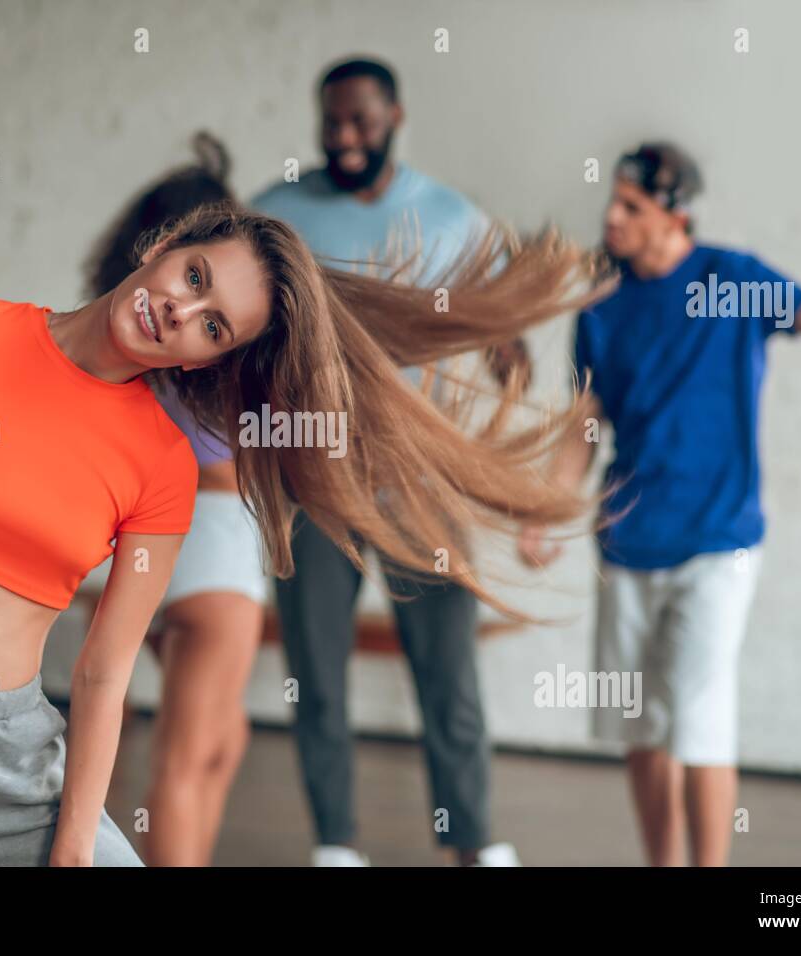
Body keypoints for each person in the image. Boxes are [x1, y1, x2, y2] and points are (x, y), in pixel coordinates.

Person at [0, 192, 607, 866]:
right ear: (164, 246)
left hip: (7, 756)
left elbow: (107, 667)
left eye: (213, 325)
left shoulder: (162, 465)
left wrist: (76, 838)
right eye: (193, 277)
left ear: (210, 360)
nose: (180, 312)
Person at [519, 141, 801, 867]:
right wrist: (548, 509)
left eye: (632, 207)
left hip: (719, 543)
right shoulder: (601, 301)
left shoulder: (732, 281)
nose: (611, 217)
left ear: (676, 215)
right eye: (611, 201)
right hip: (626, 541)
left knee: (701, 721)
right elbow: (587, 423)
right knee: (641, 728)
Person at [250, 56, 532, 867]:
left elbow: (506, 340)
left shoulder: (453, 219)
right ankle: (335, 844)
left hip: (420, 481)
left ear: (395, 118)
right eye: (330, 122)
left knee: (449, 673)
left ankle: (472, 840)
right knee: (317, 676)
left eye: (360, 124)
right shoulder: (275, 216)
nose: (342, 139)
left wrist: (507, 393)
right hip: (312, 479)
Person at [83, 131, 269, 867]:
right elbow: (222, 469)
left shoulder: (127, 336)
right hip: (213, 546)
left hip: (157, 554)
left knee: (224, 739)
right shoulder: (198, 354)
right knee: (187, 761)